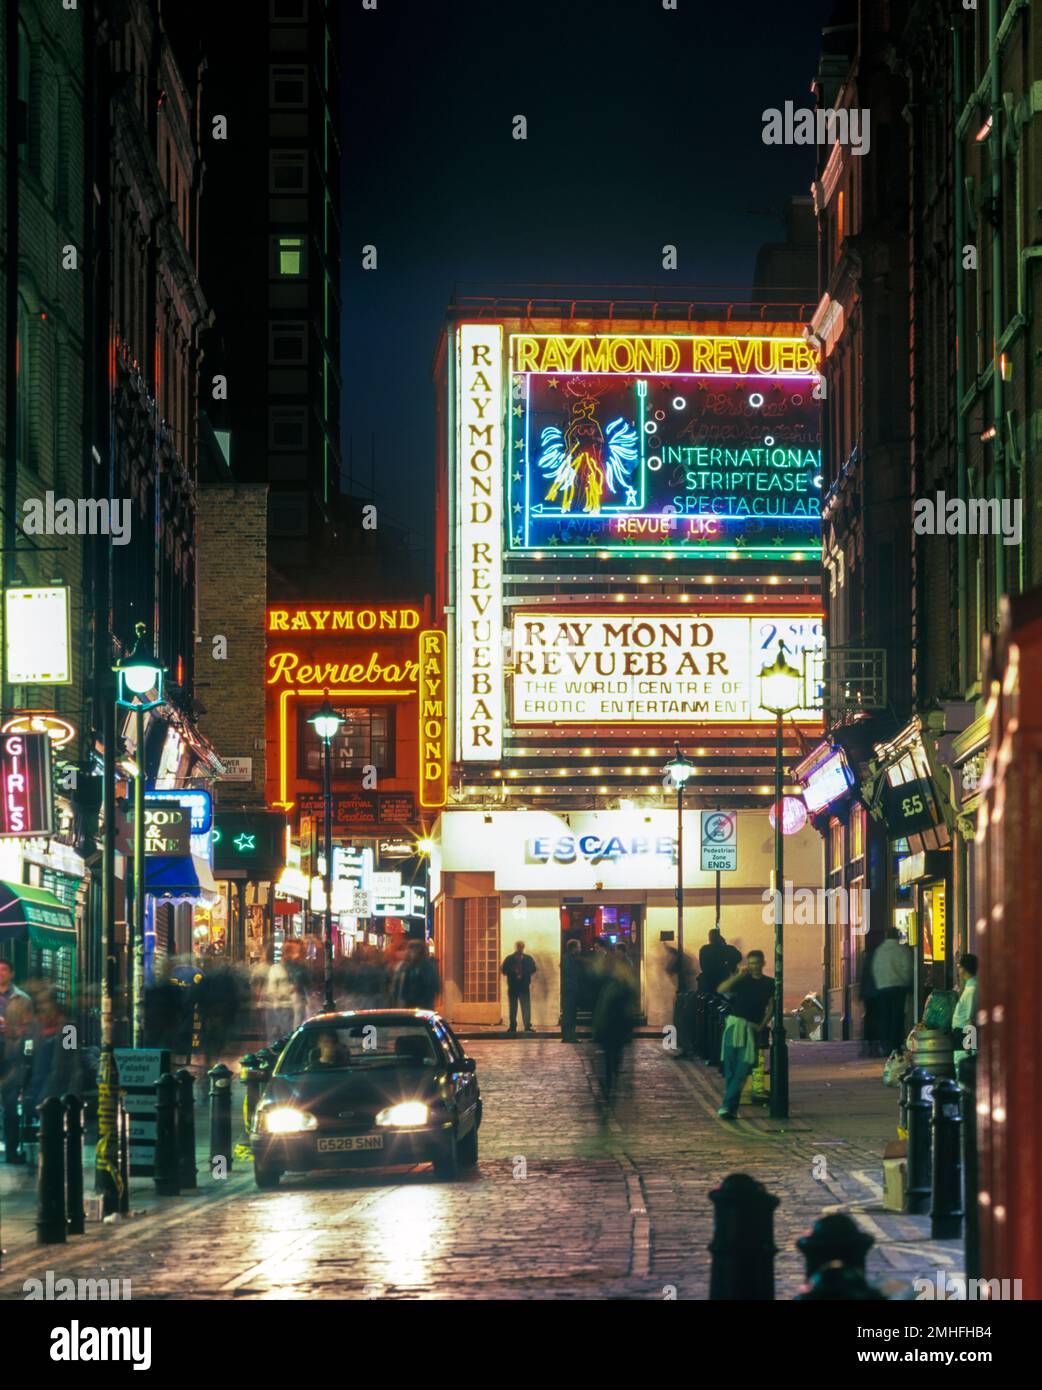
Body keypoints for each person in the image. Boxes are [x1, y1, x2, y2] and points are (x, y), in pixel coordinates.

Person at [716, 950, 774, 1119]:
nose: (754, 966)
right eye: (751, 963)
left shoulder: (769, 983)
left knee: (742, 1070)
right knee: (730, 1070)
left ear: (763, 963)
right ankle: (731, 1109)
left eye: (757, 963)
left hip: (751, 1029)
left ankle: (726, 1105)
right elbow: (721, 989)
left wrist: (762, 1026)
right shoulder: (742, 980)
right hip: (734, 1027)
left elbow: (771, 1007)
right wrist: (738, 976)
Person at [592, 951, 639, 1101]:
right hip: (613, 1025)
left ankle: (609, 1082)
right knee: (612, 1055)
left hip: (614, 1025)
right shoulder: (611, 985)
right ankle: (610, 1081)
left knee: (612, 1054)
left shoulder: (614, 986)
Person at [0, 961, 32, 1164]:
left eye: (4, 970)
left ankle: (12, 1149)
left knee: (11, 1105)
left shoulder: (22, 999)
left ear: (11, 973)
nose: (0, 974)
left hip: (12, 1056)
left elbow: (29, 1028)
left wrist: (11, 1030)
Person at [870, 928, 914, 1055]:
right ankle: (896, 1044)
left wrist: (880, 983)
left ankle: (885, 1044)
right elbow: (908, 968)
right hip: (898, 987)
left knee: (885, 1016)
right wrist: (905, 982)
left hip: (883, 988)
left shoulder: (879, 951)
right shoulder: (902, 950)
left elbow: (876, 969)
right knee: (897, 1016)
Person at [501, 941, 537, 1034]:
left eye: (521, 947)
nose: (520, 949)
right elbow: (504, 970)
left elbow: (533, 969)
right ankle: (513, 1026)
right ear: (516, 947)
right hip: (513, 986)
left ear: (523, 947)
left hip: (523, 986)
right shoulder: (510, 959)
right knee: (513, 1007)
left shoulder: (528, 959)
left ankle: (527, 1026)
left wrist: (523, 972)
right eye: (519, 947)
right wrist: (514, 971)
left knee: (525, 1007)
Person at [393, 940, 441, 1009]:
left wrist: (426, 999)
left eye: (411, 950)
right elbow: (404, 985)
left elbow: (432, 985)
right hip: (409, 1003)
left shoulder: (427, 966)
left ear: (418, 951)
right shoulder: (408, 966)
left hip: (423, 1005)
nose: (408, 953)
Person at [951, 953, 979, 1068]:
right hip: (962, 1034)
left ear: (964, 969)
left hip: (963, 1034)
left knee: (961, 1065)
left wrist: (969, 1046)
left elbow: (970, 1020)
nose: (958, 970)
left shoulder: (972, 990)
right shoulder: (970, 987)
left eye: (959, 966)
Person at [698, 929, 742, 995]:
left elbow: (703, 966)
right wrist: (724, 945)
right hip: (721, 980)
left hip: (708, 981)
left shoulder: (705, 949)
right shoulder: (725, 949)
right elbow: (738, 957)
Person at [560, 939, 584, 1042]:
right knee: (569, 1013)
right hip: (569, 989)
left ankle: (570, 1035)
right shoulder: (567, 959)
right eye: (579, 947)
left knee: (571, 1013)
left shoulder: (570, 958)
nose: (580, 949)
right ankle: (568, 1036)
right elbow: (570, 973)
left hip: (571, 989)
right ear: (574, 948)